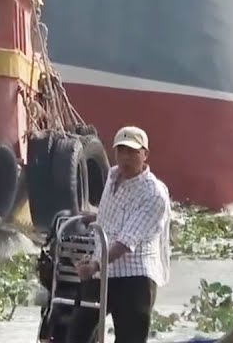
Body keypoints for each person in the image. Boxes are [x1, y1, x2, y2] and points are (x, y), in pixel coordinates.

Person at [68, 126, 170, 343]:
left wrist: (95, 266)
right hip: (104, 272)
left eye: (132, 151)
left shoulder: (153, 194)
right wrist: (94, 217)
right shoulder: (113, 176)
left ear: (145, 154)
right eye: (121, 150)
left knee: (129, 339)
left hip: (134, 278)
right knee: (77, 335)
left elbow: (126, 241)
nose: (125, 157)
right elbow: (114, 217)